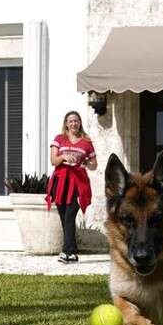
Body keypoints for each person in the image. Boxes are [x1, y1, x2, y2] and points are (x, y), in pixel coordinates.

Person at [46, 110, 97, 263]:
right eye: (70, 121)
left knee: (70, 214)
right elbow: (53, 161)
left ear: (80, 123)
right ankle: (72, 252)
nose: (73, 123)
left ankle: (65, 251)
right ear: (66, 124)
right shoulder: (59, 138)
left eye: (76, 121)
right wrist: (63, 157)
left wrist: (86, 162)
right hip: (60, 180)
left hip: (77, 180)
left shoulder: (86, 142)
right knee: (63, 215)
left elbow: (94, 165)